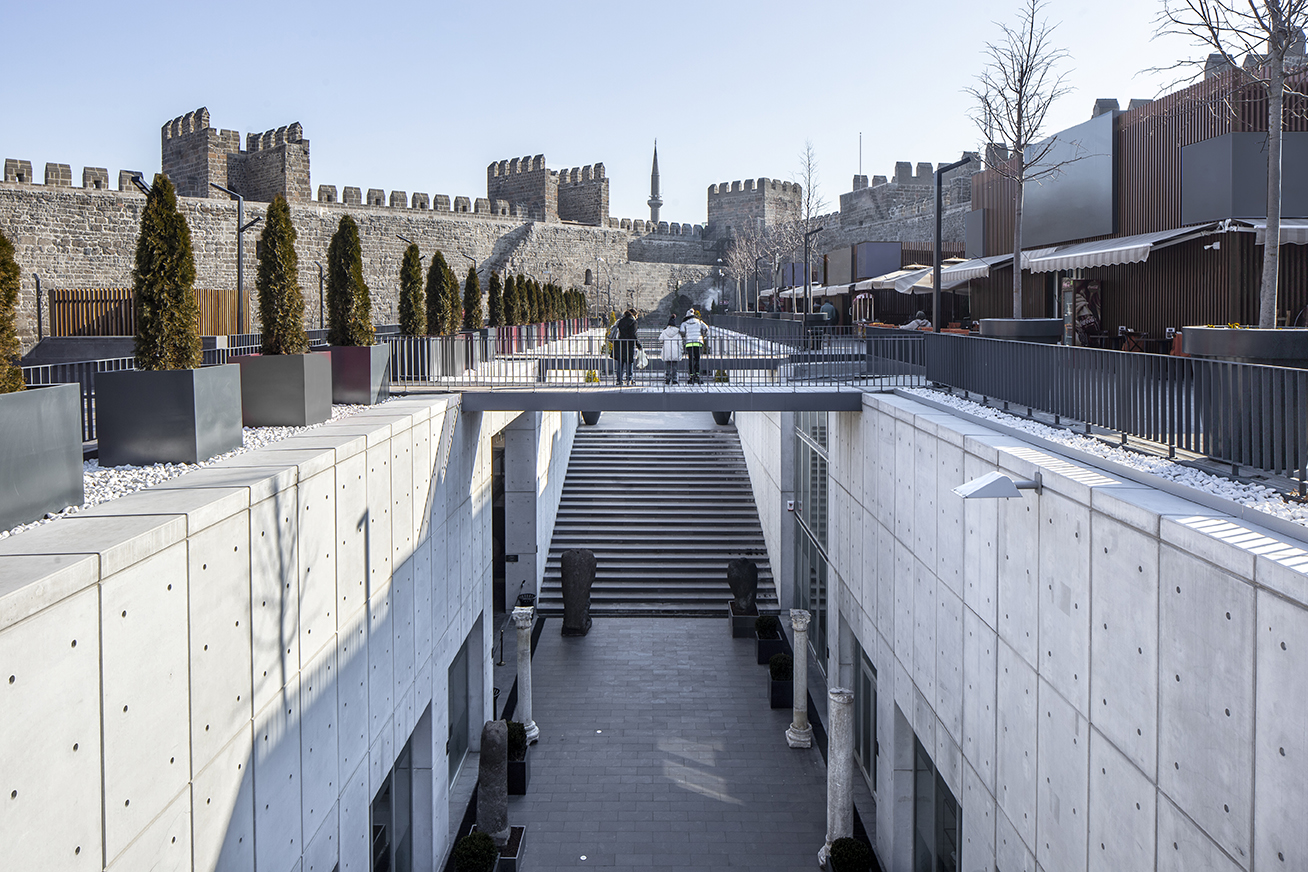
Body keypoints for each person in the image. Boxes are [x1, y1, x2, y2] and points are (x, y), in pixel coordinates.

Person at [612, 309, 641, 385]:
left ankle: (619, 380)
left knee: (620, 363)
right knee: (629, 362)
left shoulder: (621, 321)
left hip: (620, 344)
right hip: (629, 344)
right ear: (634, 314)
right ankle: (629, 379)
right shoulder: (633, 322)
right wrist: (638, 345)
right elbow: (633, 335)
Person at [681, 308, 709, 384]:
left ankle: (691, 375)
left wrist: (685, 337)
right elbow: (706, 328)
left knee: (691, 359)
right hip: (698, 342)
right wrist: (703, 335)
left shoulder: (684, 323)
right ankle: (697, 375)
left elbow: (682, 331)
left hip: (689, 342)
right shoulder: (699, 321)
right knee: (697, 359)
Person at [659, 314, 683, 384]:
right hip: (675, 350)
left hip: (667, 350)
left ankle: (667, 378)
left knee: (668, 365)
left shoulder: (664, 331)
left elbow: (660, 340)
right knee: (674, 365)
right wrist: (682, 350)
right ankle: (674, 378)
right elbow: (680, 342)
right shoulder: (677, 332)